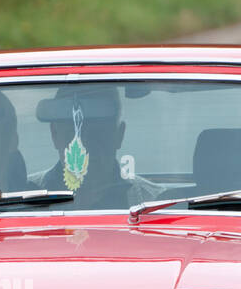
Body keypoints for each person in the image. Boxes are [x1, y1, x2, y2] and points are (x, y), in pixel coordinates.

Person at [30, 84, 158, 208]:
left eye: (98, 134)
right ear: (54, 134)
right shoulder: (23, 200)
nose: (84, 145)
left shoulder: (155, 205)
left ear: (119, 135)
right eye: (73, 133)